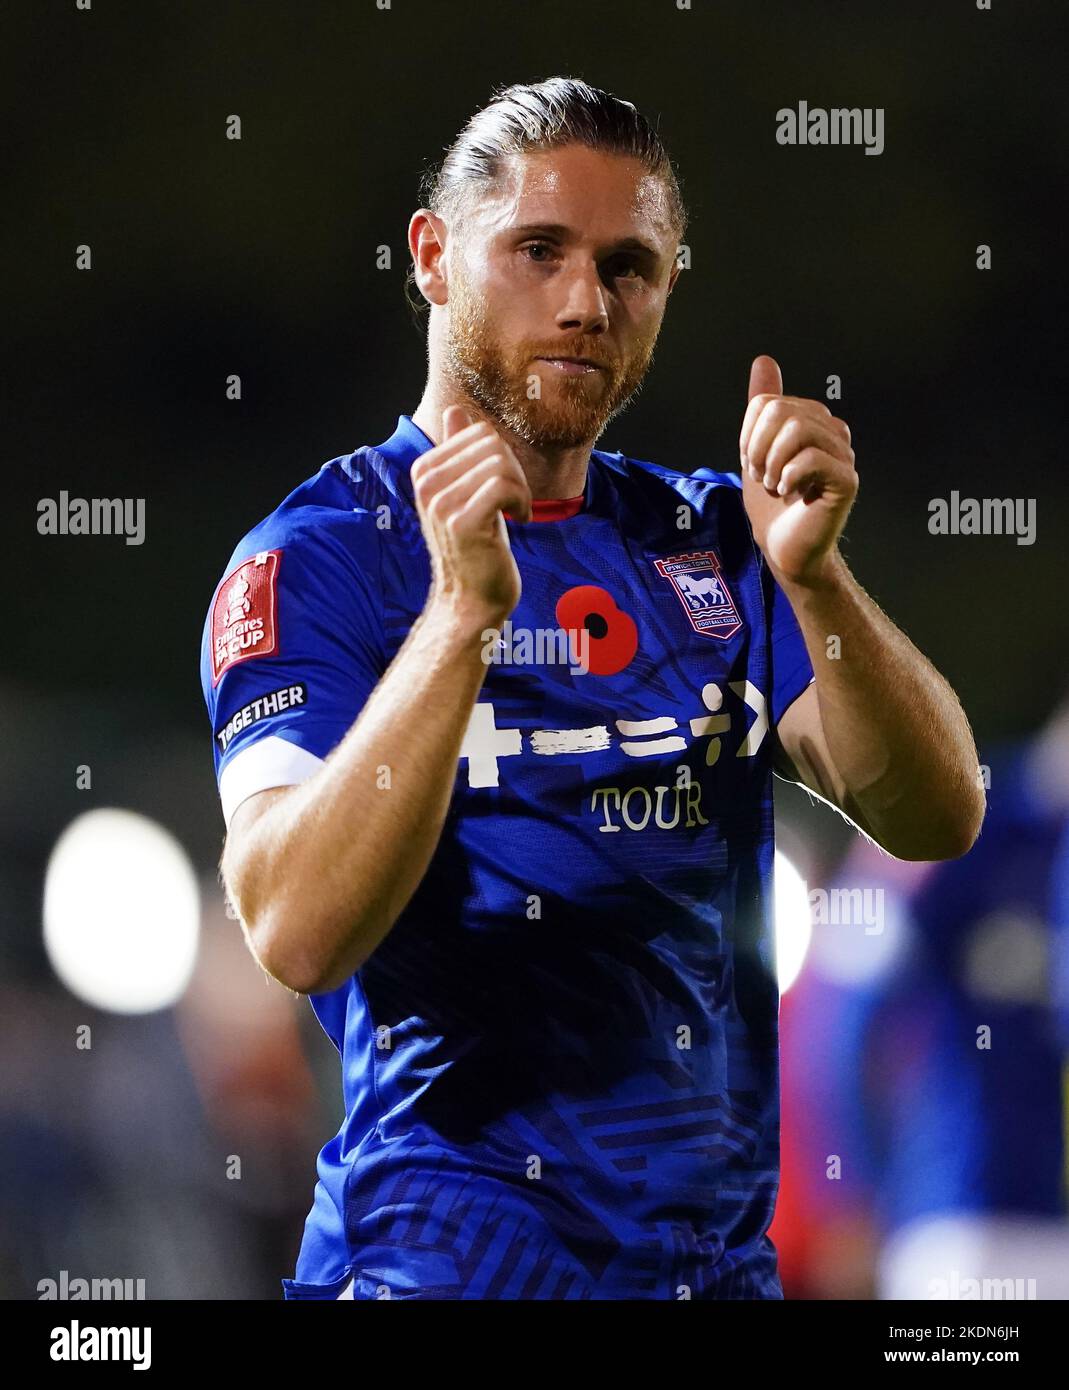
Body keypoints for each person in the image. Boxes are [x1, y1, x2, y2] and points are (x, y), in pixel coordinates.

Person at [199, 77, 984, 1300]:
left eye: (629, 266)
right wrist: (460, 620)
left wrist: (819, 584)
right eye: (538, 250)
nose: (583, 302)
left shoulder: (712, 542)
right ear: (433, 257)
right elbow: (293, 927)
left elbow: (939, 815)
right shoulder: (321, 557)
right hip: (440, 1275)